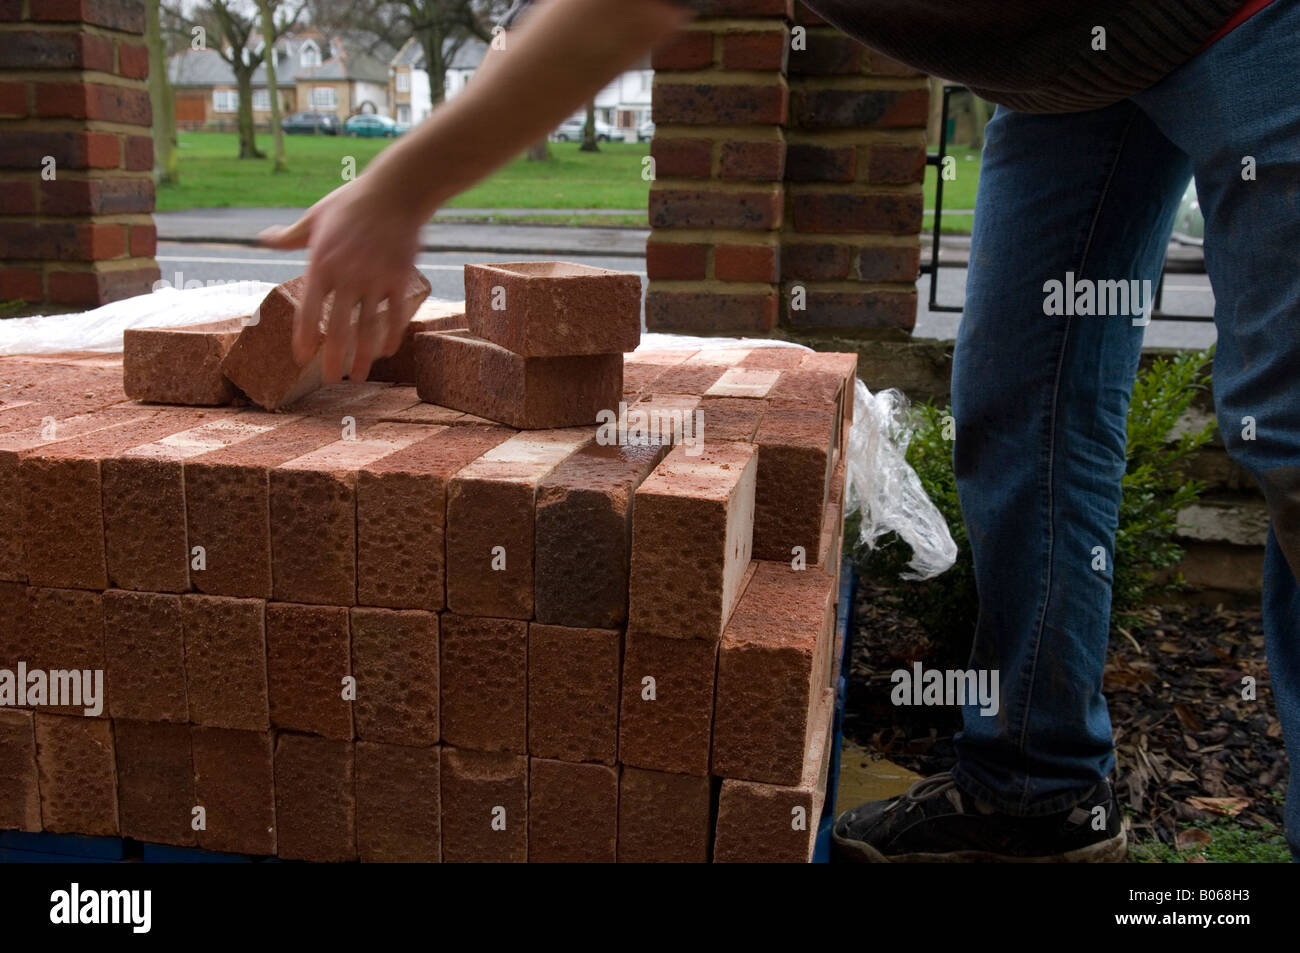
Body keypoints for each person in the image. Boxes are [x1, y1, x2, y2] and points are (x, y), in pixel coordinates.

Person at [261, 0, 1300, 862]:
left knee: (1290, 437)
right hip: (1068, 66)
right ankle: (1035, 790)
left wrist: (402, 192)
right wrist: (395, 178)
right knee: (1022, 409)